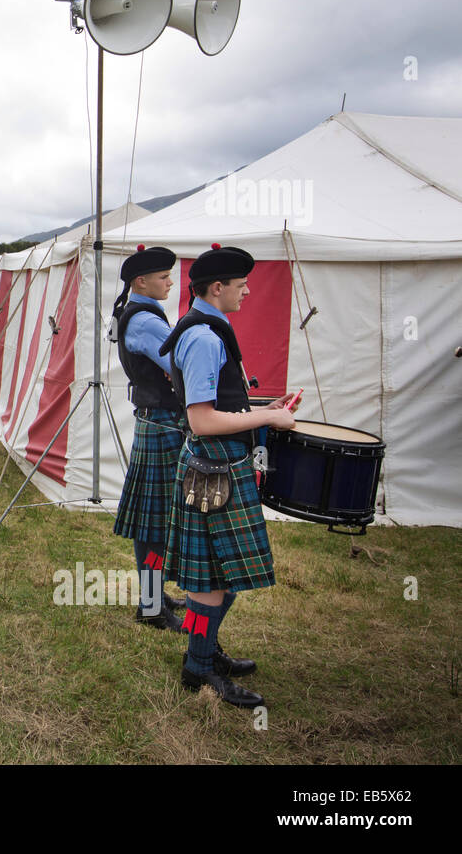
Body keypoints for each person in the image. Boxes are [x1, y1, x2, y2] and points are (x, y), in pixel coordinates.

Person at [158, 244, 298, 709]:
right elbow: (201, 420)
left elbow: (219, 405)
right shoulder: (203, 338)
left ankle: (204, 650)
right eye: (241, 285)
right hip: (212, 471)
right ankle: (199, 667)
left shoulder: (207, 328)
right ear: (217, 288)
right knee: (212, 583)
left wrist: (261, 409)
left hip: (217, 468)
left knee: (222, 578)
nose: (248, 291)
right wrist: (267, 422)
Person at [111, 245, 188, 632]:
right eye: (164, 277)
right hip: (162, 422)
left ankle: (152, 597)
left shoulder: (141, 313)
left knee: (152, 520)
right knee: (154, 522)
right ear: (141, 281)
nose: (171, 282)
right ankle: (152, 605)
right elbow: (181, 365)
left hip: (155, 421)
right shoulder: (146, 321)